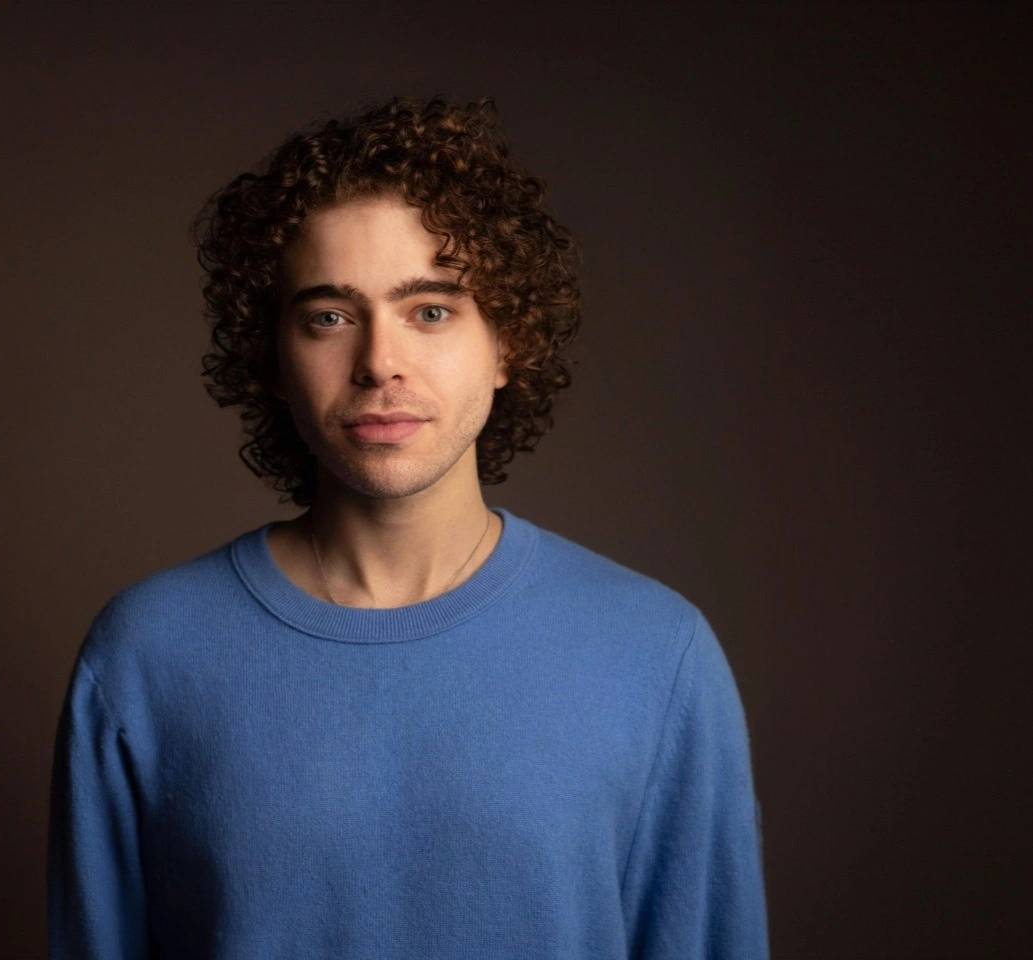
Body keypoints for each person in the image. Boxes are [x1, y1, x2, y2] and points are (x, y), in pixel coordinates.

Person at [46, 95, 769, 959]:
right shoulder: (147, 653)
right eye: (329, 317)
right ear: (272, 357)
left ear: (507, 345)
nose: (379, 362)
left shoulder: (653, 652)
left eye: (430, 310)